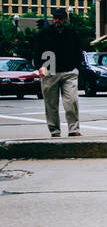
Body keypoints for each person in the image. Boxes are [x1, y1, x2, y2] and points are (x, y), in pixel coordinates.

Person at [32, 8, 83, 137]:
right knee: (51, 104)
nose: (57, 20)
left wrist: (77, 67)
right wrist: (40, 67)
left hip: (69, 71)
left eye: (60, 18)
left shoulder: (72, 33)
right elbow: (37, 51)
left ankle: (73, 129)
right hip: (50, 71)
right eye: (55, 18)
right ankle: (55, 131)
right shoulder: (44, 34)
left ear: (65, 19)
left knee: (71, 101)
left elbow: (79, 51)